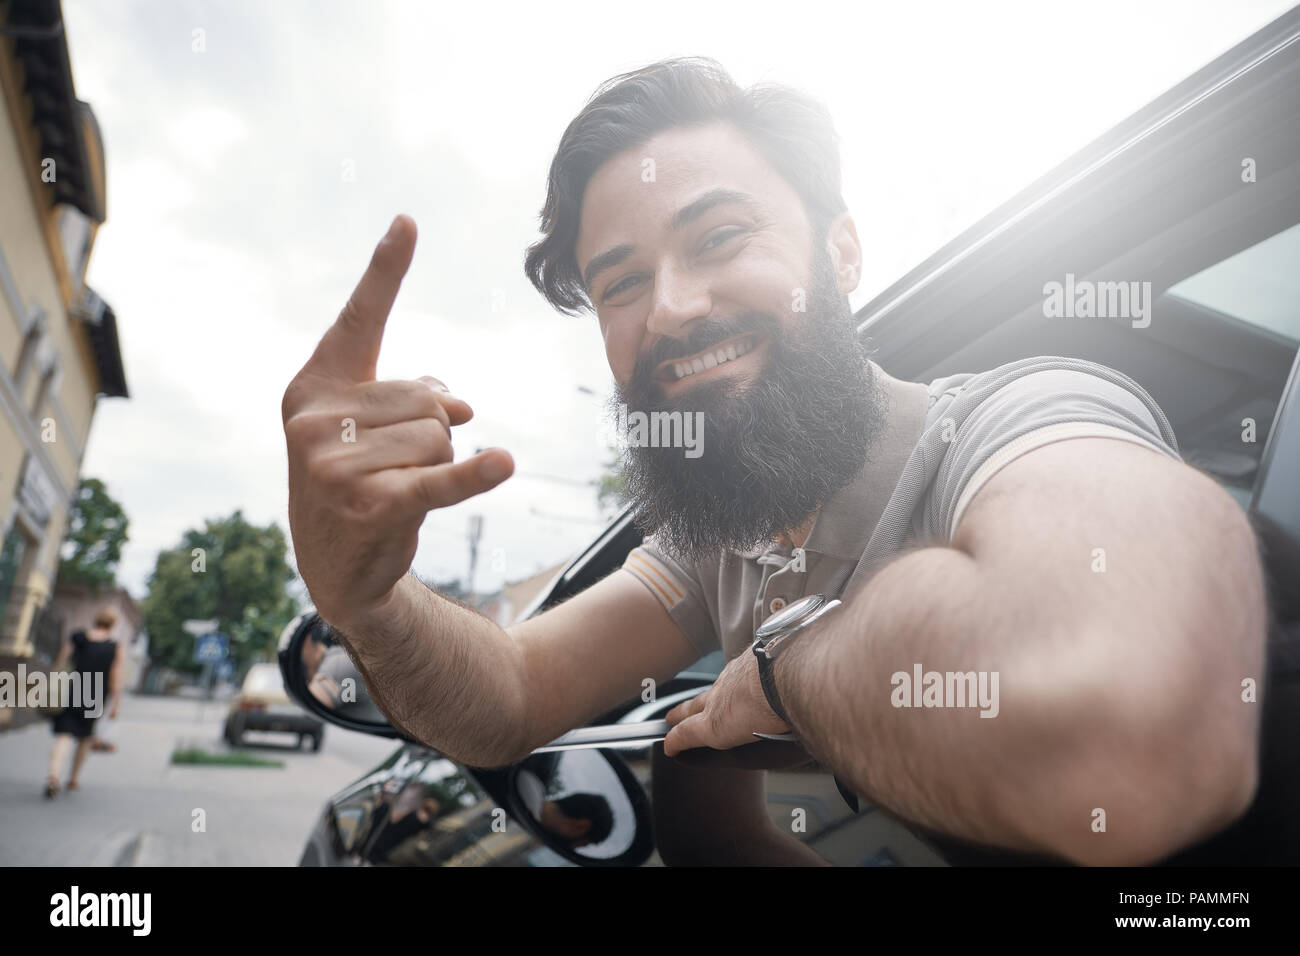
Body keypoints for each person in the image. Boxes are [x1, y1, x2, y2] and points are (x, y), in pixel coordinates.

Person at [281, 58, 1267, 865]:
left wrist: (783, 670)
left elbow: (1140, 737)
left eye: (719, 235)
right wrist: (366, 592)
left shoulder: (1020, 423)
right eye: (619, 282)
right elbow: (508, 697)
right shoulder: (720, 542)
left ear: (838, 255)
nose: (668, 306)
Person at [45, 607, 123, 798]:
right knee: (84, 738)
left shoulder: (78, 637)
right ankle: (72, 779)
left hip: (71, 690)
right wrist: (116, 704)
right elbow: (115, 677)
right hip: (95, 694)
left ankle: (54, 776)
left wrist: (51, 685)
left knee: (64, 735)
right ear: (112, 625)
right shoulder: (114, 646)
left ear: (96, 620)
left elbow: (61, 662)